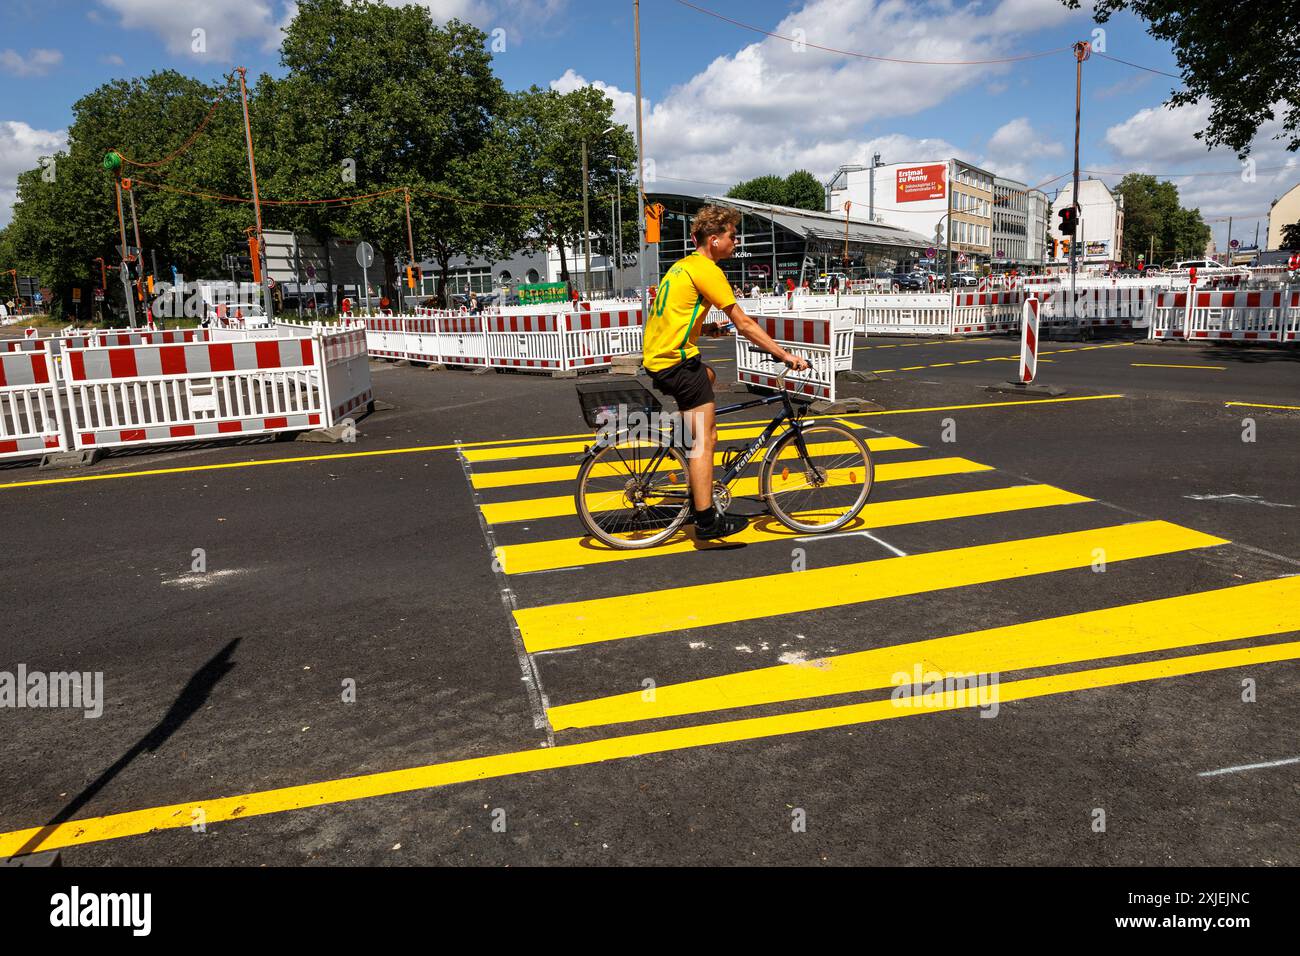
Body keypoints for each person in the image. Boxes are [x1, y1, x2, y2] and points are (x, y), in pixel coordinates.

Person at [642, 205, 810, 541]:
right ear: (714, 239)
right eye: (733, 236)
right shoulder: (707, 270)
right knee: (706, 440)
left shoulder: (681, 267)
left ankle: (691, 453)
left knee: (710, 379)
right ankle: (705, 521)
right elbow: (744, 322)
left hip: (660, 357)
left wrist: (705, 331)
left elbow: (672, 317)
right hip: (677, 362)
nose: (736, 242)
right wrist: (784, 355)